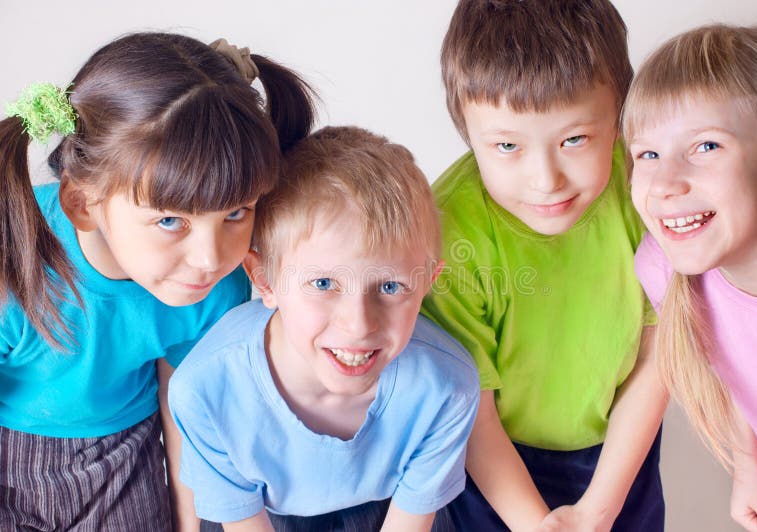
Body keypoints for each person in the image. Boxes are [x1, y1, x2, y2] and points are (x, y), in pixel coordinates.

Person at [0, 32, 314, 531]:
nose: (210, 259)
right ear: (83, 203)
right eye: (171, 221)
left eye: (236, 212)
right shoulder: (15, 257)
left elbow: (185, 410)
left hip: (128, 460)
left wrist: (188, 523)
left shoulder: (215, 290)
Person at [421, 1, 668, 530]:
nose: (545, 179)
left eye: (574, 139)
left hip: (622, 452)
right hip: (490, 461)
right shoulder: (446, 234)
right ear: (467, 129)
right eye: (507, 145)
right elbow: (472, 412)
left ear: (619, 114)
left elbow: (661, 354)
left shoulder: (647, 191)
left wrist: (599, 509)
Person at [169, 126, 479, 532]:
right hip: (262, 516)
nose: (359, 324)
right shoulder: (206, 389)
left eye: (390, 286)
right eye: (323, 284)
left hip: (387, 506)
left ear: (426, 283)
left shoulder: (446, 386)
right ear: (264, 280)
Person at [624, 24, 757, 532]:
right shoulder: (664, 269)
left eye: (705, 147)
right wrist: (750, 466)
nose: (664, 183)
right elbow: (735, 373)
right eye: (647, 155)